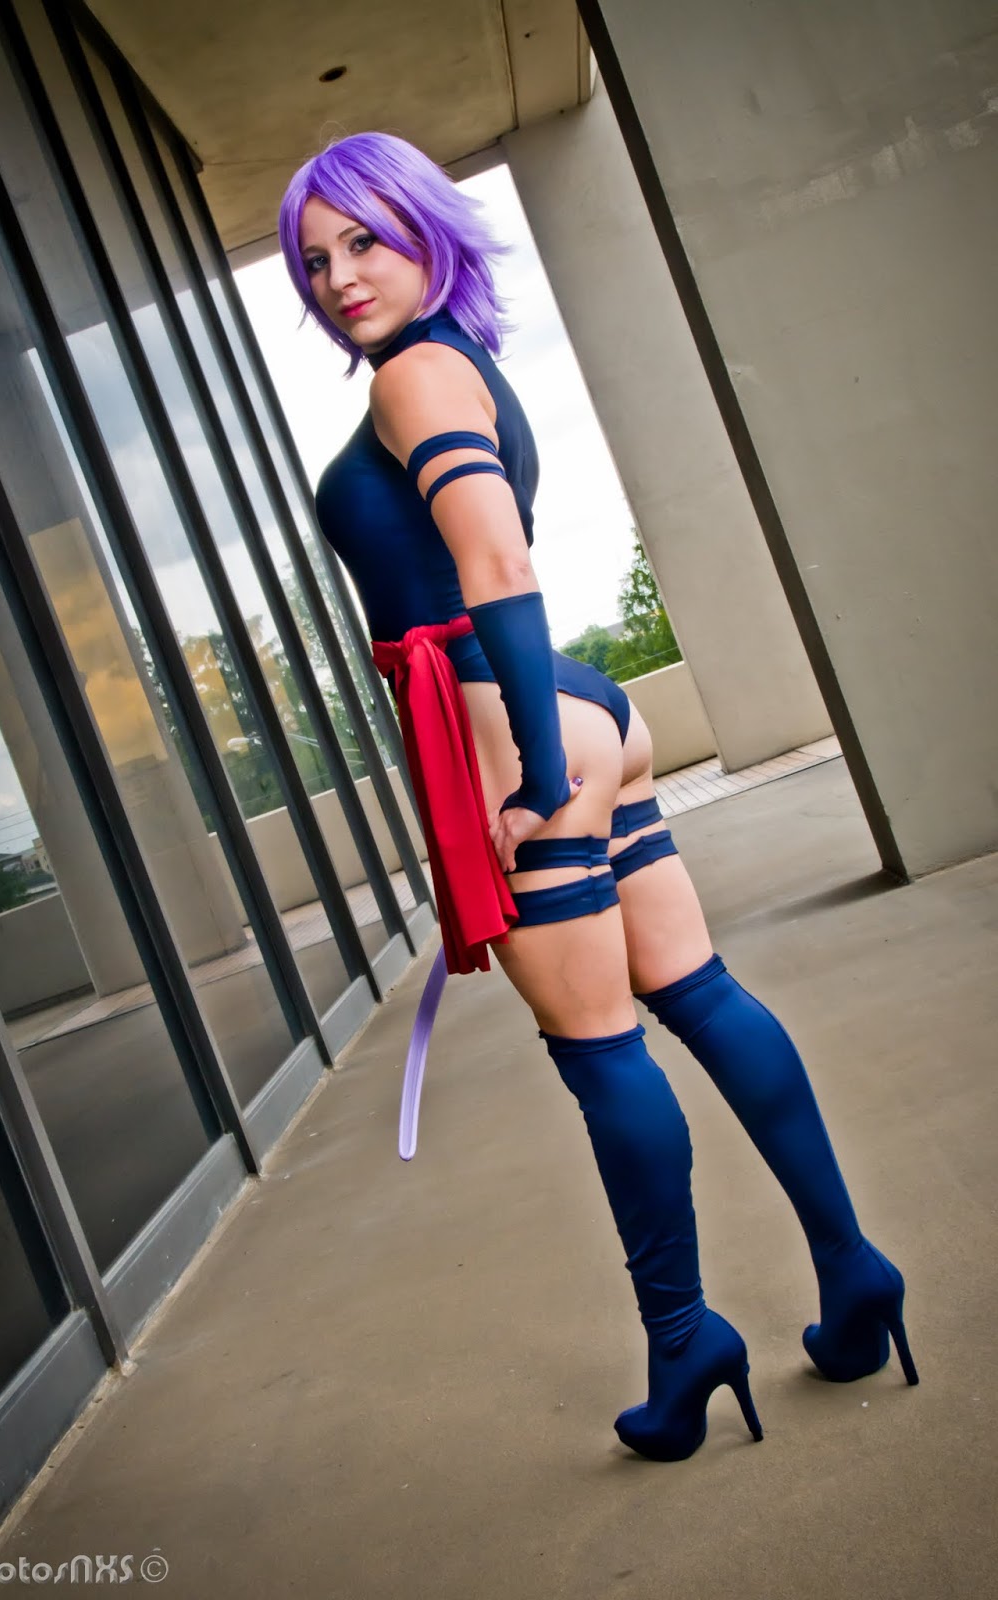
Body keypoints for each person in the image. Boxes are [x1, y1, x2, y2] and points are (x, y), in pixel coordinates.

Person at [278, 132, 918, 1462]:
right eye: (316, 258)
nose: (341, 277)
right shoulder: (461, 364)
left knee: (602, 1046)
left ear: (425, 228)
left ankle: (686, 1347)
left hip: (514, 730)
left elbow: (497, 564)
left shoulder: (415, 376)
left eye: (365, 240)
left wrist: (536, 775)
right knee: (700, 995)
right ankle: (854, 1272)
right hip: (579, 709)